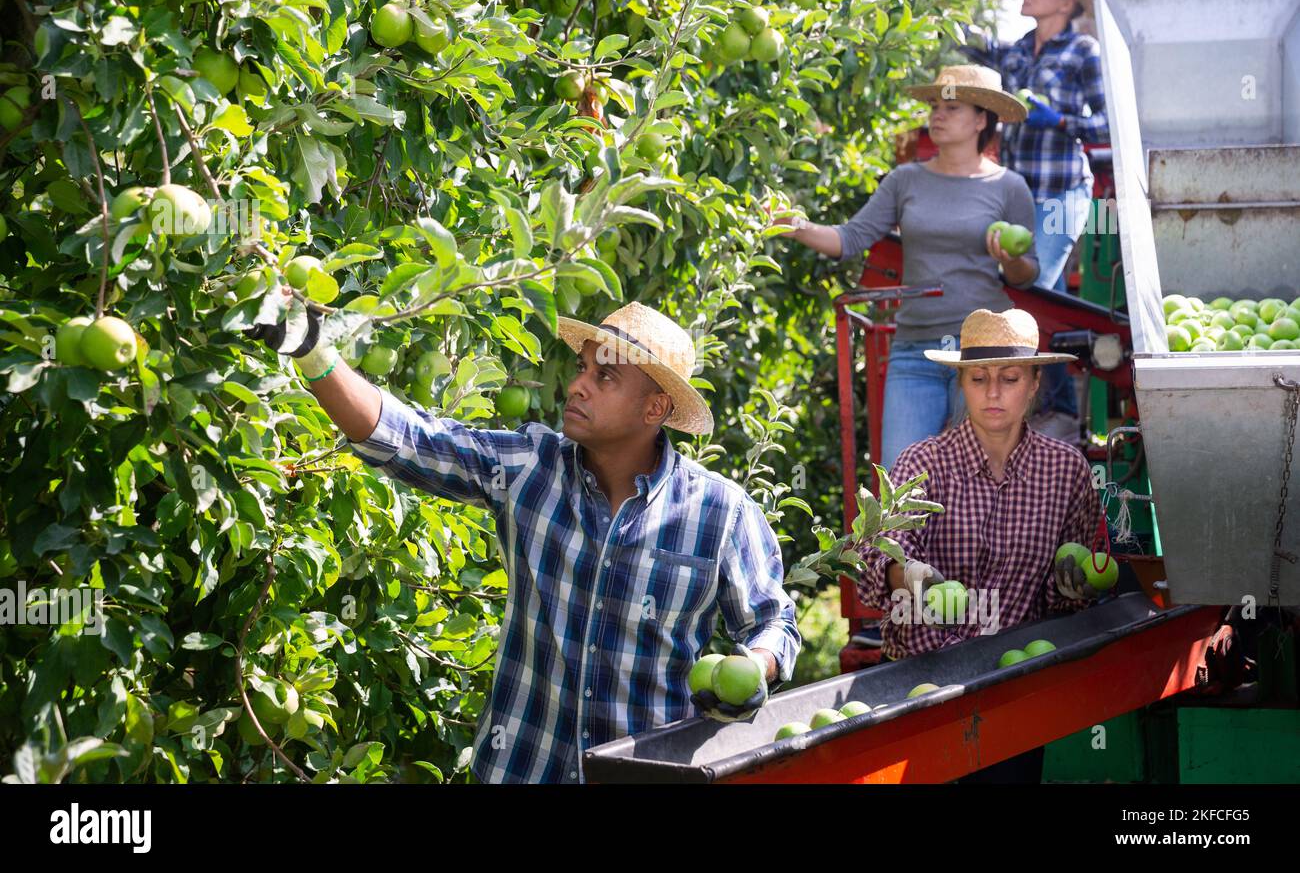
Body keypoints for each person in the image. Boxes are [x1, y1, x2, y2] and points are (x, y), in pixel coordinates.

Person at [245, 297, 801, 783]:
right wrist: (312, 349)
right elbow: (407, 439)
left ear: (654, 409)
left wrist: (756, 665)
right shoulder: (530, 468)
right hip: (521, 768)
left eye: (605, 378)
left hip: (645, 771)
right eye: (583, 368)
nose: (579, 383)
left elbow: (774, 621)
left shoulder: (718, 511)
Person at [855, 307, 1105, 783]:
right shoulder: (923, 462)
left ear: (1033, 384)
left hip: (1013, 686)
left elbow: (1062, 603)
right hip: (922, 685)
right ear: (962, 384)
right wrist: (908, 575)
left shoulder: (1066, 471)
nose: (993, 392)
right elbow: (875, 561)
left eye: (1009, 378)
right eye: (978, 378)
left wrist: (1076, 586)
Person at [777, 64, 1039, 472]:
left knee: (979, 480)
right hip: (915, 350)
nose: (938, 114)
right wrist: (797, 227)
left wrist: (1012, 259)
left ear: (981, 119)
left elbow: (1028, 275)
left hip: (981, 358)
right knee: (898, 483)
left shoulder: (1009, 187)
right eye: (934, 105)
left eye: (951, 107)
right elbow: (850, 239)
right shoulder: (905, 180)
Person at [960, 0, 1109, 441]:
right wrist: (942, 6)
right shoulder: (1017, 54)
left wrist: (1061, 121)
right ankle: (1060, 407)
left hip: (1063, 190)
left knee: (1029, 293)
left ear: (1066, 2)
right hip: (1020, 195)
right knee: (1046, 297)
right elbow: (972, 47)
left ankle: (1035, 413)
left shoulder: (1082, 51)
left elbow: (1111, 123)